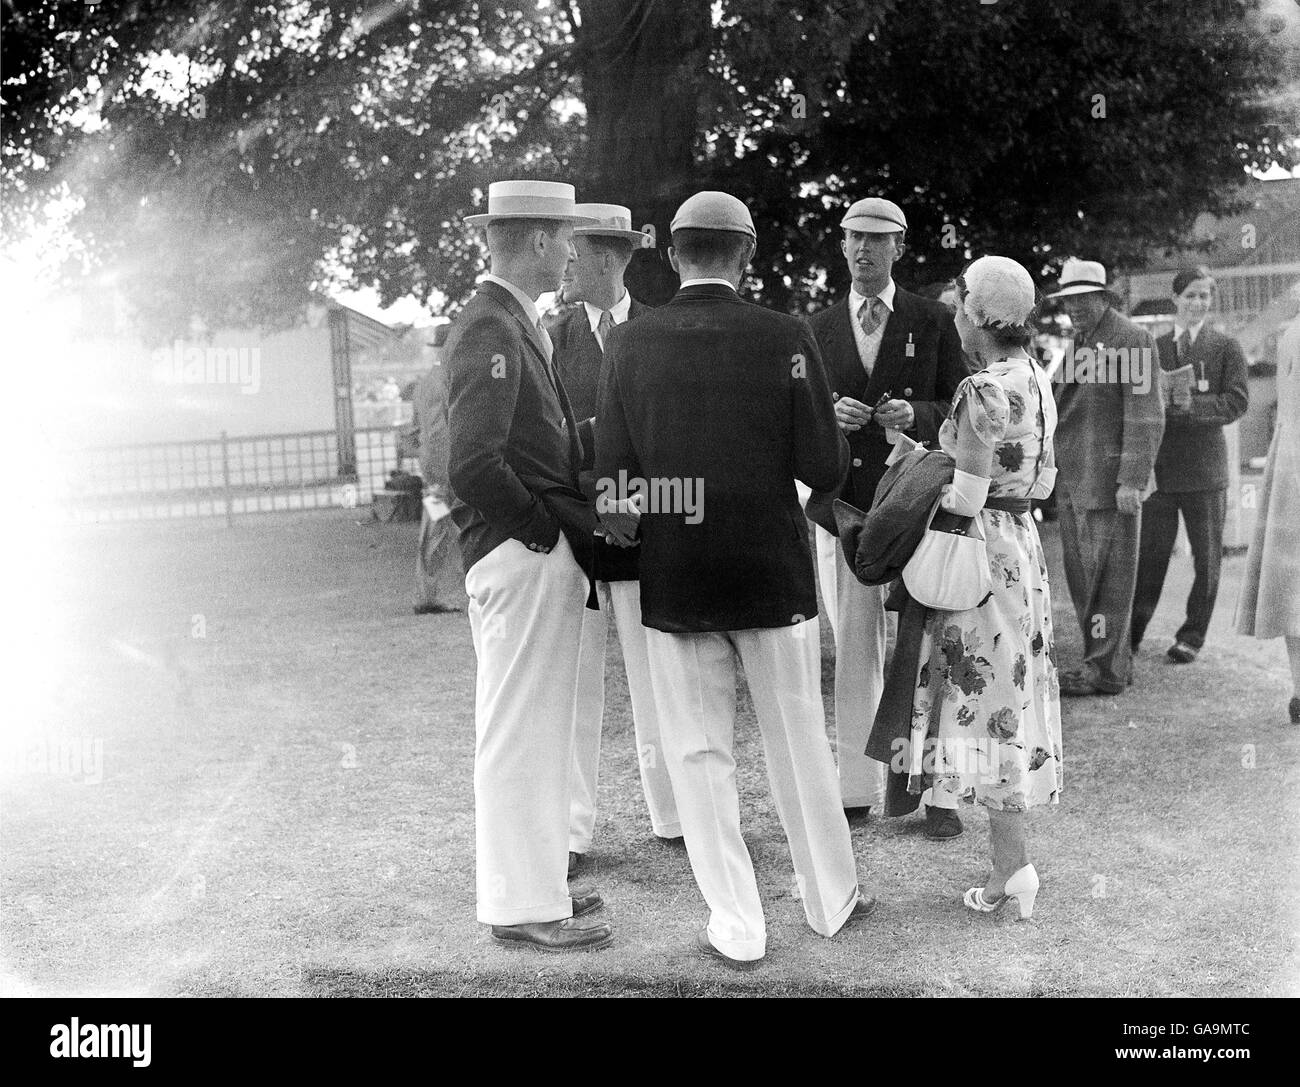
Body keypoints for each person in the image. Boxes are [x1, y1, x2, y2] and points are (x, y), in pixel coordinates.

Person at [595, 190, 873, 969]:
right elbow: (823, 466)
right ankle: (828, 897)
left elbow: (615, 487)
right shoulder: (785, 335)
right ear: (746, 254)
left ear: (675, 255)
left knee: (699, 753)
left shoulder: (630, 344)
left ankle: (737, 918)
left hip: (677, 575)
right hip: (771, 568)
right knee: (796, 740)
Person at [445, 180, 612, 953]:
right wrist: (543, 529)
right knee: (518, 730)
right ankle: (519, 904)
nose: (575, 250)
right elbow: (472, 465)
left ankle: (538, 887)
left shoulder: (511, 320)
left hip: (528, 553)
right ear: (540, 241)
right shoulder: (491, 325)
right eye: (567, 237)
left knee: (539, 730)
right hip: (520, 555)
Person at [901, 256, 1063, 919]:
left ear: (978, 315)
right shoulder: (1037, 380)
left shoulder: (981, 389)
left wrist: (915, 465)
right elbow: (1047, 482)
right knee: (1012, 693)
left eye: (963, 301)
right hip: (1022, 551)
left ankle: (1010, 865)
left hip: (981, 555)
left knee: (987, 695)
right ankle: (1009, 862)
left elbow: (965, 493)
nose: (958, 311)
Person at [802, 197, 969, 839]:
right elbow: (798, 414)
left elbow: (960, 403)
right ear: (841, 247)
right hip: (842, 506)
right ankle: (855, 789)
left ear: (900, 248)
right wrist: (829, 418)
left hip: (916, 503)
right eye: (854, 239)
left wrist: (916, 418)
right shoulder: (815, 329)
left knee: (929, 646)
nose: (864, 251)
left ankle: (938, 793)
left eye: (878, 240)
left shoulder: (931, 320)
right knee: (853, 646)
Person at [544, 203, 681, 874]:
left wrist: (639, 502)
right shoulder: (549, 335)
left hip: (648, 534)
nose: (564, 266)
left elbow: (683, 436)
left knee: (660, 680)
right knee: (575, 689)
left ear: (604, 257)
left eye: (574, 254)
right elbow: (542, 440)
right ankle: (571, 832)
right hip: (578, 534)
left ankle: (675, 815)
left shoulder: (662, 330)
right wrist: (590, 496)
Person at [1048, 258, 1165, 696]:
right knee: (1084, 581)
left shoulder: (1131, 340)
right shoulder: (1081, 341)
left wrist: (1132, 480)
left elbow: (1146, 416)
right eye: (1068, 300)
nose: (1074, 307)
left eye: (1083, 298)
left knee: (1111, 583)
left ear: (1102, 298)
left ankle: (1106, 670)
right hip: (1075, 481)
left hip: (1110, 485)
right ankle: (1107, 662)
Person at [1131, 267, 1249, 663]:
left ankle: (1191, 637)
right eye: (1192, 295)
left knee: (1208, 560)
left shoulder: (1225, 347)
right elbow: (1136, 398)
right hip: (1162, 470)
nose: (1198, 303)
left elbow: (1237, 401)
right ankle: (1131, 635)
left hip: (1205, 472)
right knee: (1150, 558)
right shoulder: (1154, 346)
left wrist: (1190, 407)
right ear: (1176, 298)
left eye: (1205, 296)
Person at [1236, 282, 1300, 724]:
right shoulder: (1292, 333)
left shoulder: (1290, 333)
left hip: (1291, 462)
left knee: (1292, 583)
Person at [406, 362, 464, 615]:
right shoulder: (451, 379)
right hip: (447, 468)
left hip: (431, 468)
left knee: (434, 528)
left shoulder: (425, 382)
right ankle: (429, 596)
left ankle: (426, 594)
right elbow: (443, 430)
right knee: (446, 529)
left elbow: (417, 428)